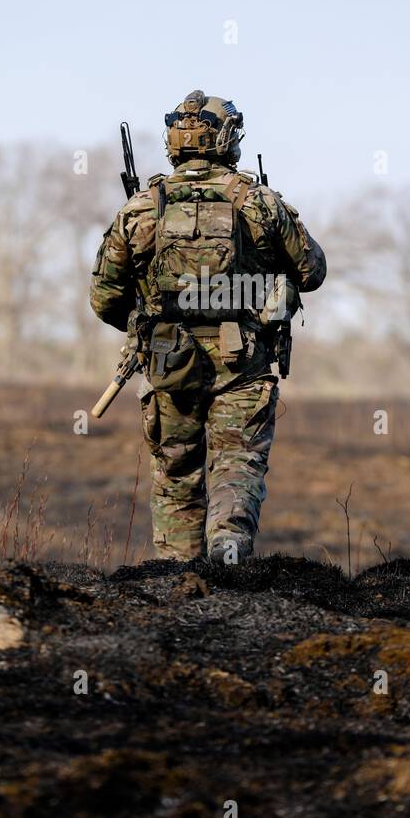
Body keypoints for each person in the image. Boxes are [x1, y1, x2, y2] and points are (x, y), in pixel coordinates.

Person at [90, 90, 327, 564]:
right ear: (227, 141)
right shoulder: (259, 202)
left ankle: (177, 576)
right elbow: (312, 273)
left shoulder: (143, 207)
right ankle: (228, 551)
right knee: (237, 464)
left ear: (174, 142)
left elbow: (104, 299)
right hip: (244, 362)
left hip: (168, 362)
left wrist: (150, 324)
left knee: (176, 474)